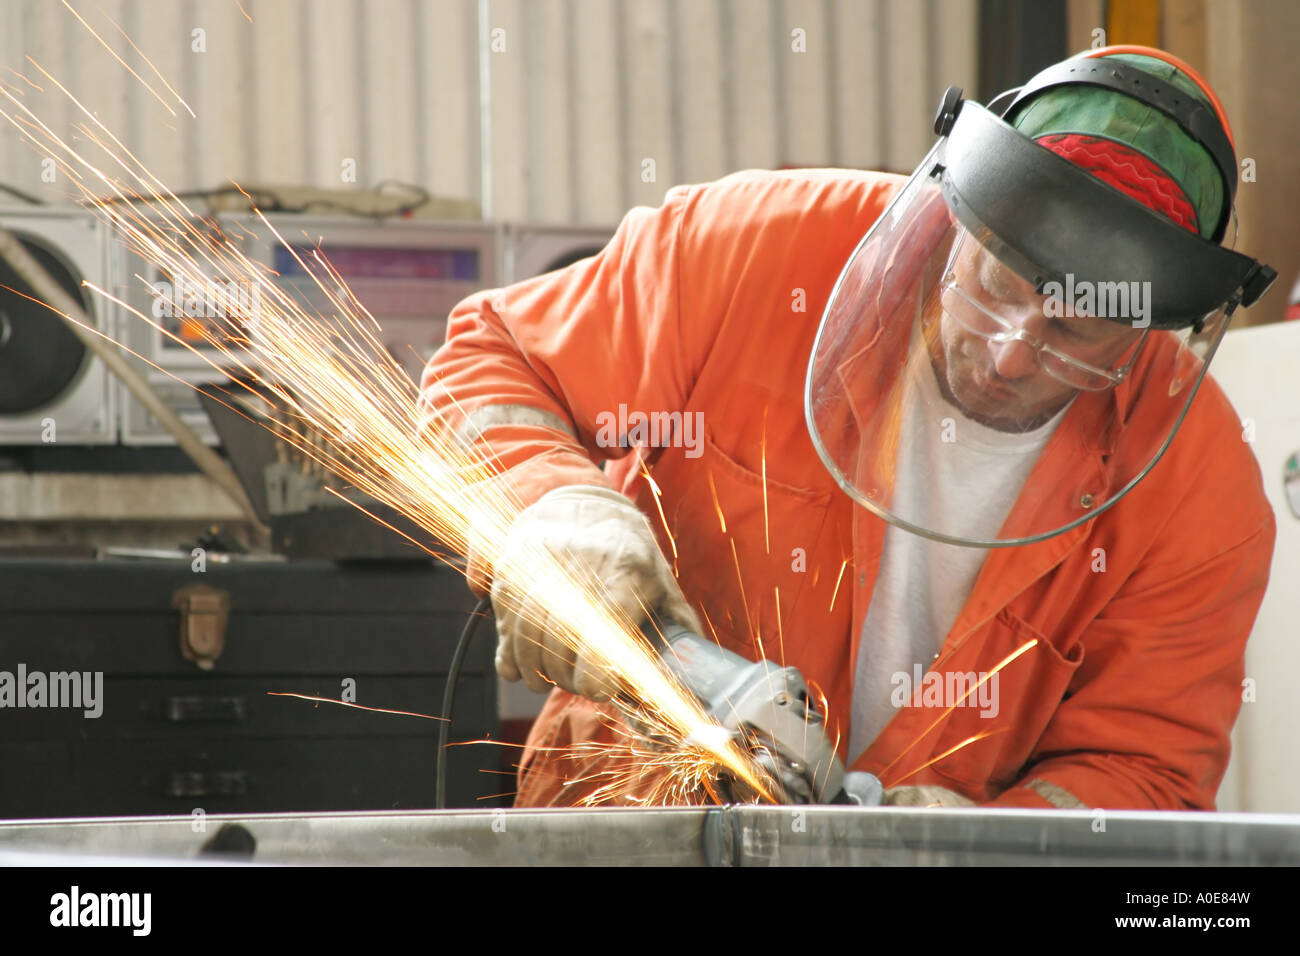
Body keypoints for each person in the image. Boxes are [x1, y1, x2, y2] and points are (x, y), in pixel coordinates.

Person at [421, 45, 1277, 810]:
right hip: (618, 826)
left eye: (1075, 331)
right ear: (965, 205)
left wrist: (988, 841)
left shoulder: (1202, 492)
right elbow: (492, 356)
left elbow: (1145, 770)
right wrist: (554, 505)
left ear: (1154, 322)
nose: (1012, 356)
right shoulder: (756, 250)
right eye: (997, 284)